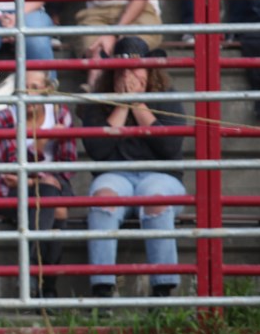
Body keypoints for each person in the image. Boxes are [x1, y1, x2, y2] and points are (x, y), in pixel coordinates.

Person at [79, 35, 186, 298]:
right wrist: (122, 105)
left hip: (161, 176)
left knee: (156, 200)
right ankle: (102, 289)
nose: (128, 74)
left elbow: (170, 148)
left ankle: (163, 289)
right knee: (103, 199)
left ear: (149, 71)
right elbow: (98, 150)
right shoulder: (97, 102)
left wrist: (138, 105)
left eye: (136, 68)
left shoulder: (168, 97)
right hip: (114, 175)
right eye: (122, 69)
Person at [0, 69, 77, 298]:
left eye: (36, 87)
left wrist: (34, 177)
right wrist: (45, 139)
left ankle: (29, 278)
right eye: (24, 86)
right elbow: (11, 167)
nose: (28, 92)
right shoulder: (6, 117)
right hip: (15, 191)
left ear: (47, 90)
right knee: (56, 207)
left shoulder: (60, 113)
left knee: (49, 193)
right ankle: (47, 288)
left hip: (54, 182)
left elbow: (68, 163)